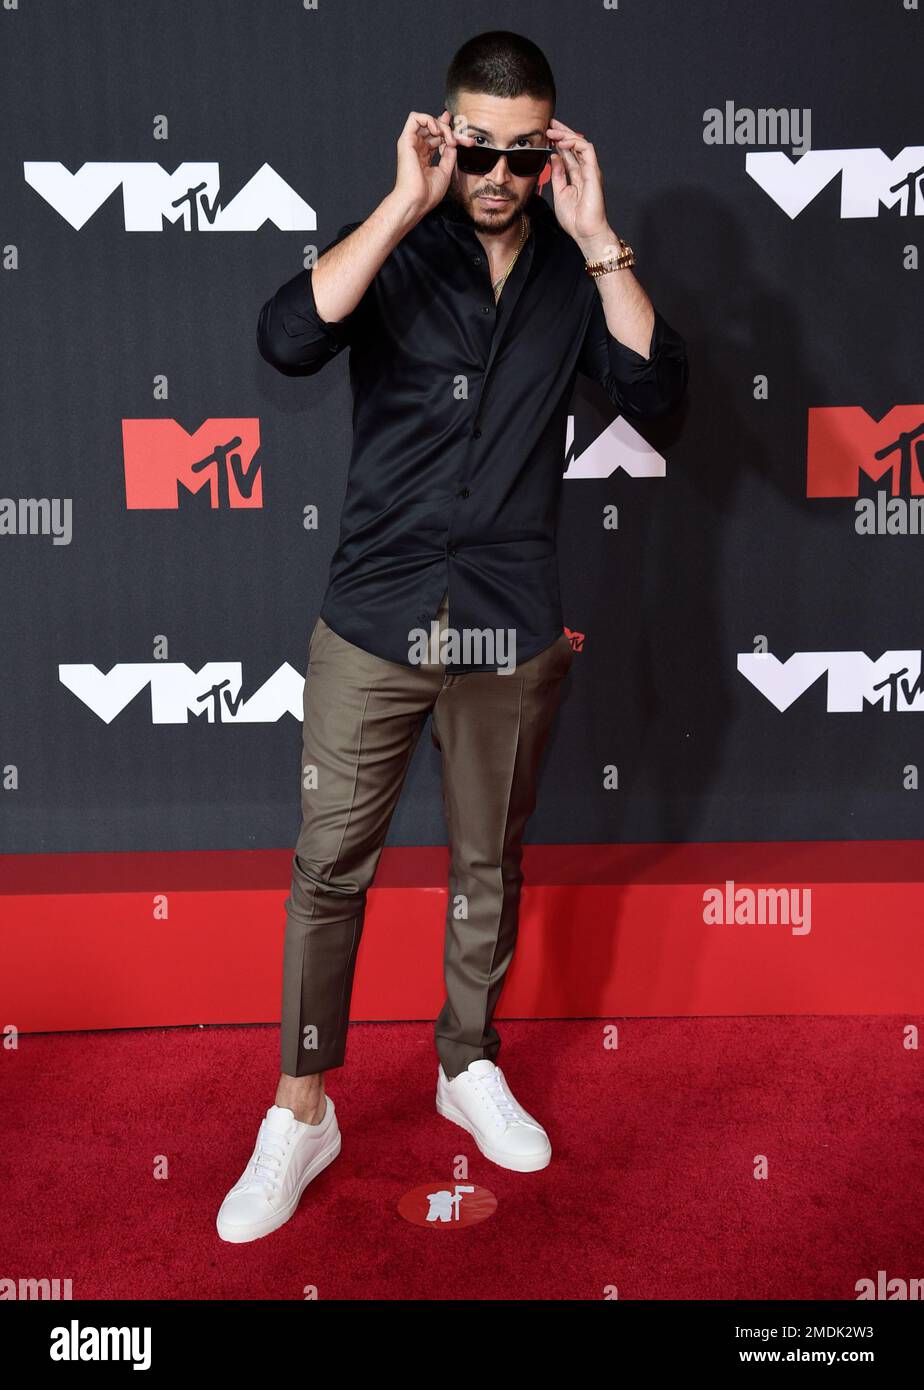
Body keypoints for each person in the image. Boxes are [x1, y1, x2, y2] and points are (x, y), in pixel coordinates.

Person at [217, 29, 688, 1243]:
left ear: (550, 151)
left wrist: (596, 237)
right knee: (329, 869)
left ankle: (464, 1062)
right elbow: (286, 337)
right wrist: (399, 200)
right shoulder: (404, 242)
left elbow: (657, 396)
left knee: (486, 864)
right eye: (477, 147)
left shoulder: (572, 274)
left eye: (523, 155)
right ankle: (302, 1106)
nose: (497, 173)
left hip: (508, 624)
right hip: (375, 614)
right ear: (445, 135)